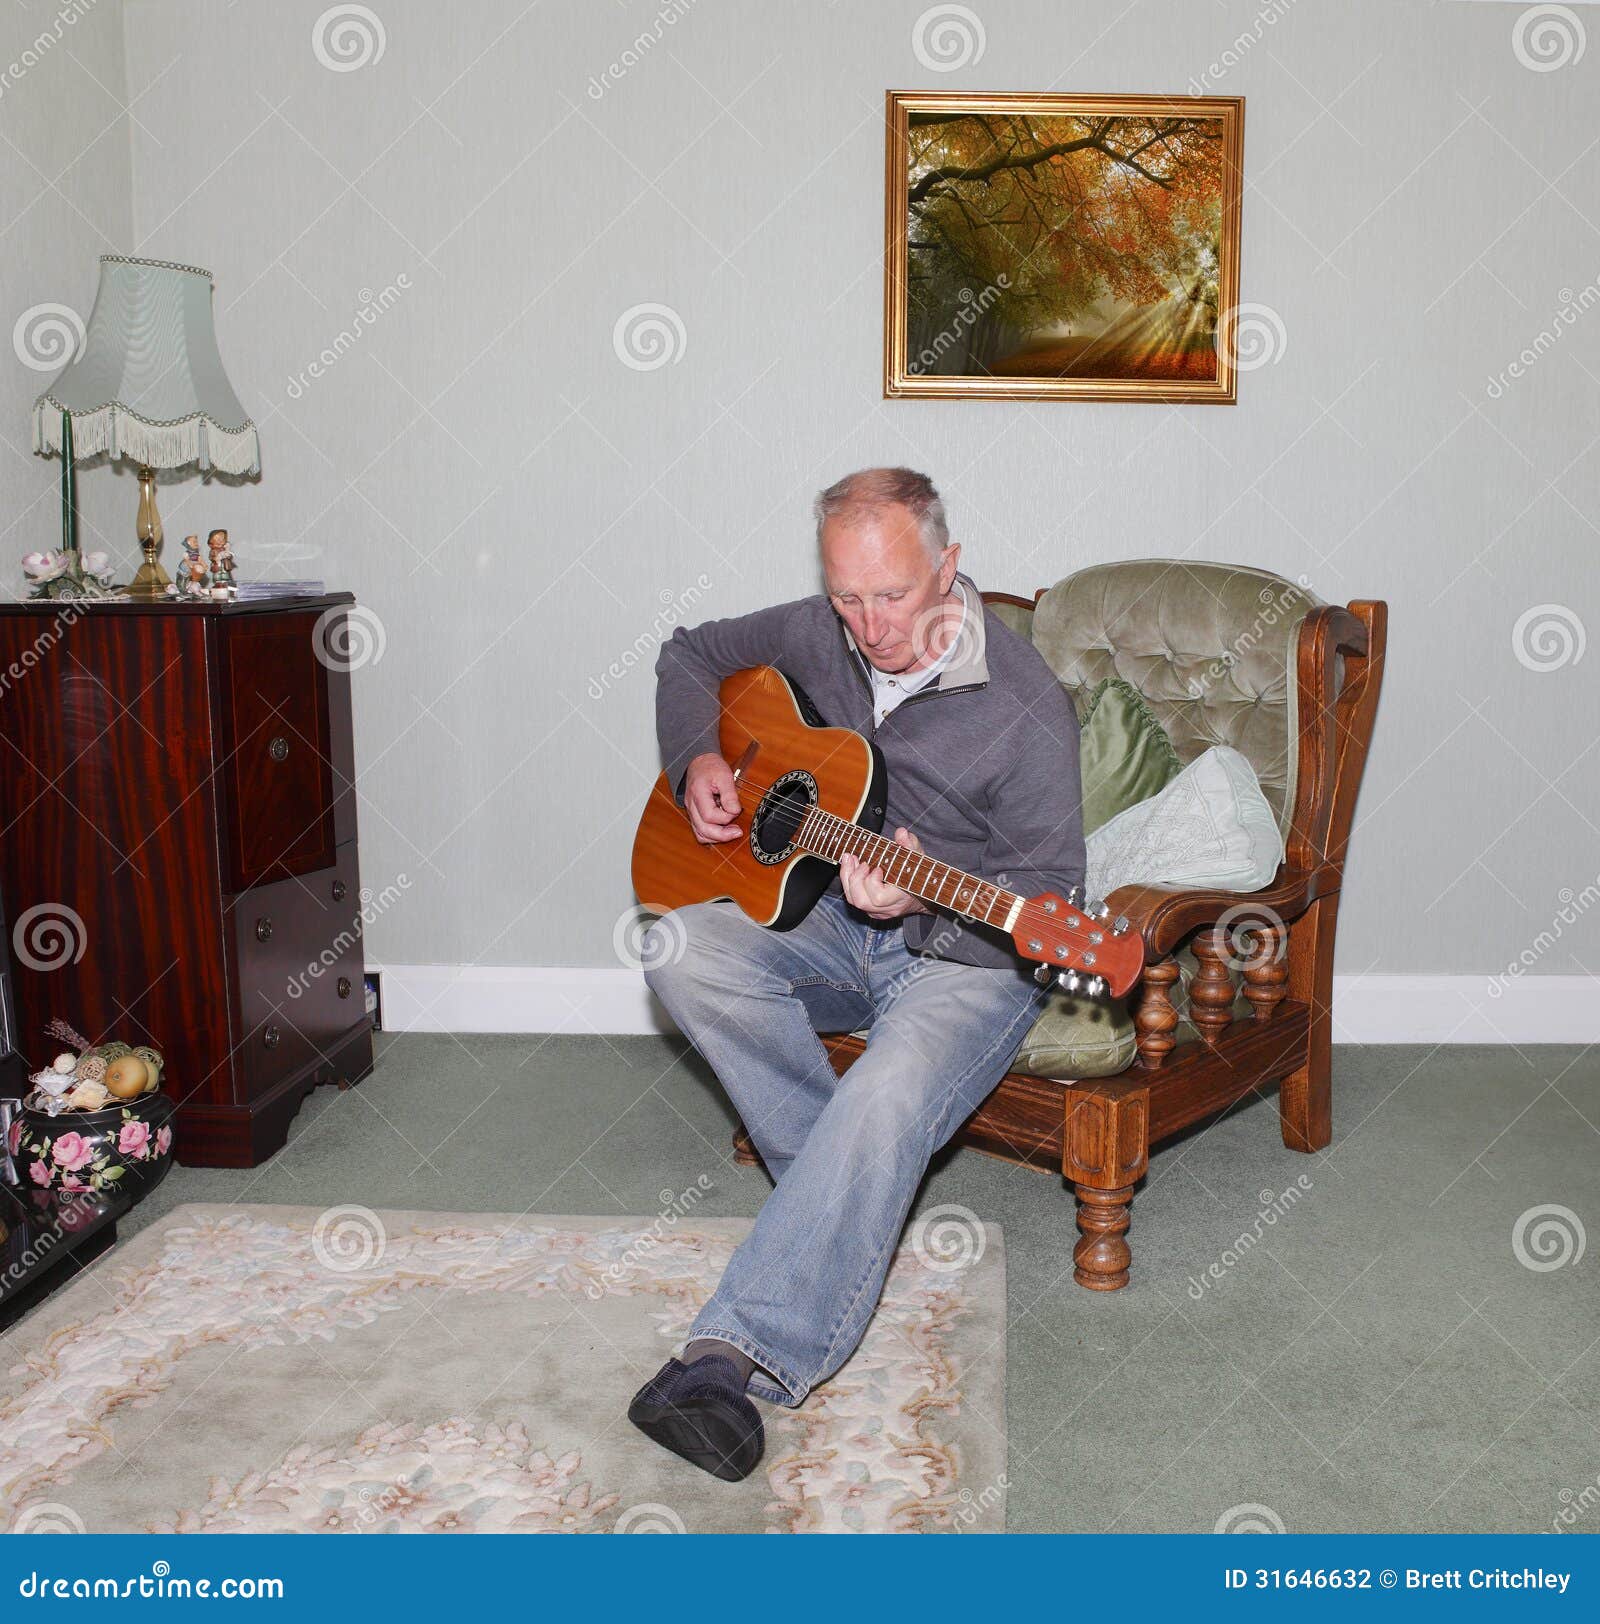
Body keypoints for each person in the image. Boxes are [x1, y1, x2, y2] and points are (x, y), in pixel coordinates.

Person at [628, 467, 1084, 1481]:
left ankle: (733, 1353)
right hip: (829, 923)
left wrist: (922, 896)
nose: (869, 626)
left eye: (891, 596)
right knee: (675, 944)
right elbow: (689, 654)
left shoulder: (1025, 706)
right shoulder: (815, 631)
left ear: (948, 566)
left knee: (884, 1085)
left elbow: (1051, 889)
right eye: (847, 597)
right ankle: (841, 1208)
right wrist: (697, 759)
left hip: (968, 959)